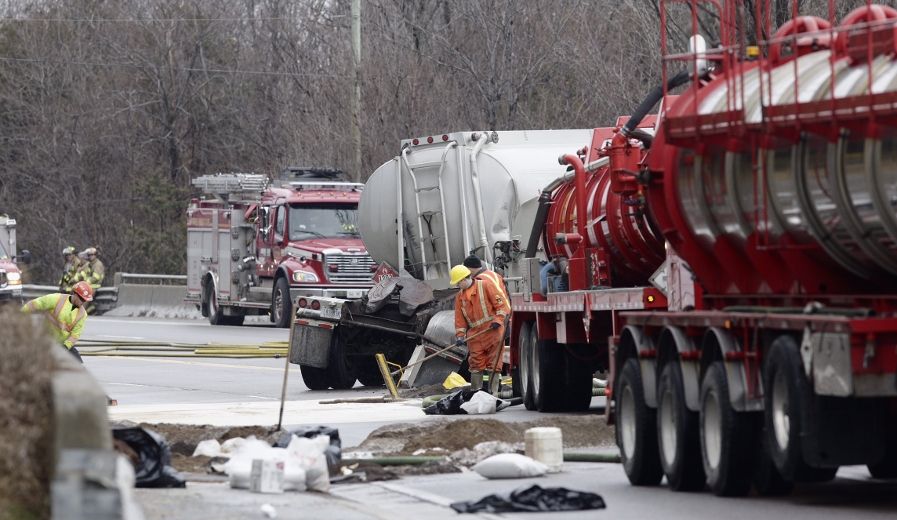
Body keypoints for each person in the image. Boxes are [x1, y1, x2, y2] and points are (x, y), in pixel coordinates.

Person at [450, 264, 510, 395]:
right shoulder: (459, 297)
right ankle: (476, 393)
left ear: (464, 279)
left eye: (458, 283)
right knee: (476, 365)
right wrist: (460, 335)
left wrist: (498, 320)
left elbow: (502, 305)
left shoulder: (485, 286)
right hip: (475, 335)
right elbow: (459, 319)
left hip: (492, 331)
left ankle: (493, 394)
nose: (457, 286)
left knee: (494, 364)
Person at [21, 281, 93, 362]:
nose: (83, 302)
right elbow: (37, 303)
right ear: (75, 294)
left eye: (85, 300)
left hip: (61, 344)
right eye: (82, 299)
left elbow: (75, 335)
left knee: (78, 362)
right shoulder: (57, 299)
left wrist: (65, 347)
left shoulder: (82, 314)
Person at [75, 247, 104, 313]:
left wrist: (87, 282)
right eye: (88, 255)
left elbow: (96, 277)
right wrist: (77, 279)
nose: (90, 256)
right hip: (88, 285)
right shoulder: (89, 264)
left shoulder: (98, 264)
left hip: (95, 286)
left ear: (95, 255)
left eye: (91, 255)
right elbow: (82, 272)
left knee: (85, 296)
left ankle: (82, 311)